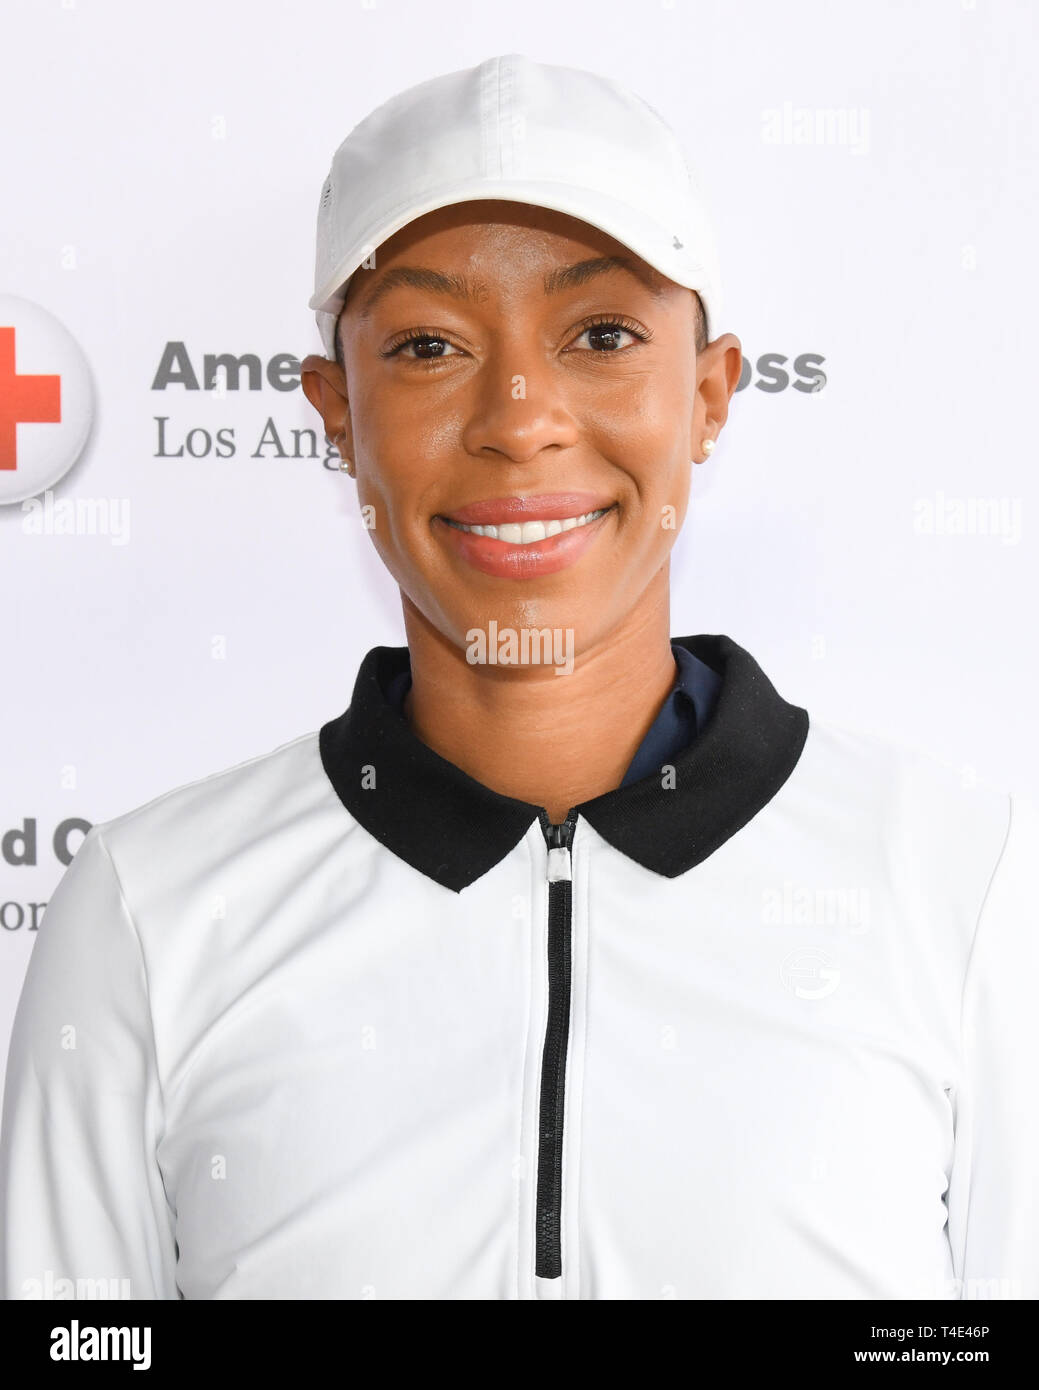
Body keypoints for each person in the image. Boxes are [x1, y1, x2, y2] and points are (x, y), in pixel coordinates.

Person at [1, 52, 1036, 1303]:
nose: (519, 416)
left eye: (602, 335)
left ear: (708, 395)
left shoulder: (961, 886)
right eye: (429, 345)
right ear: (336, 414)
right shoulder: (152, 913)